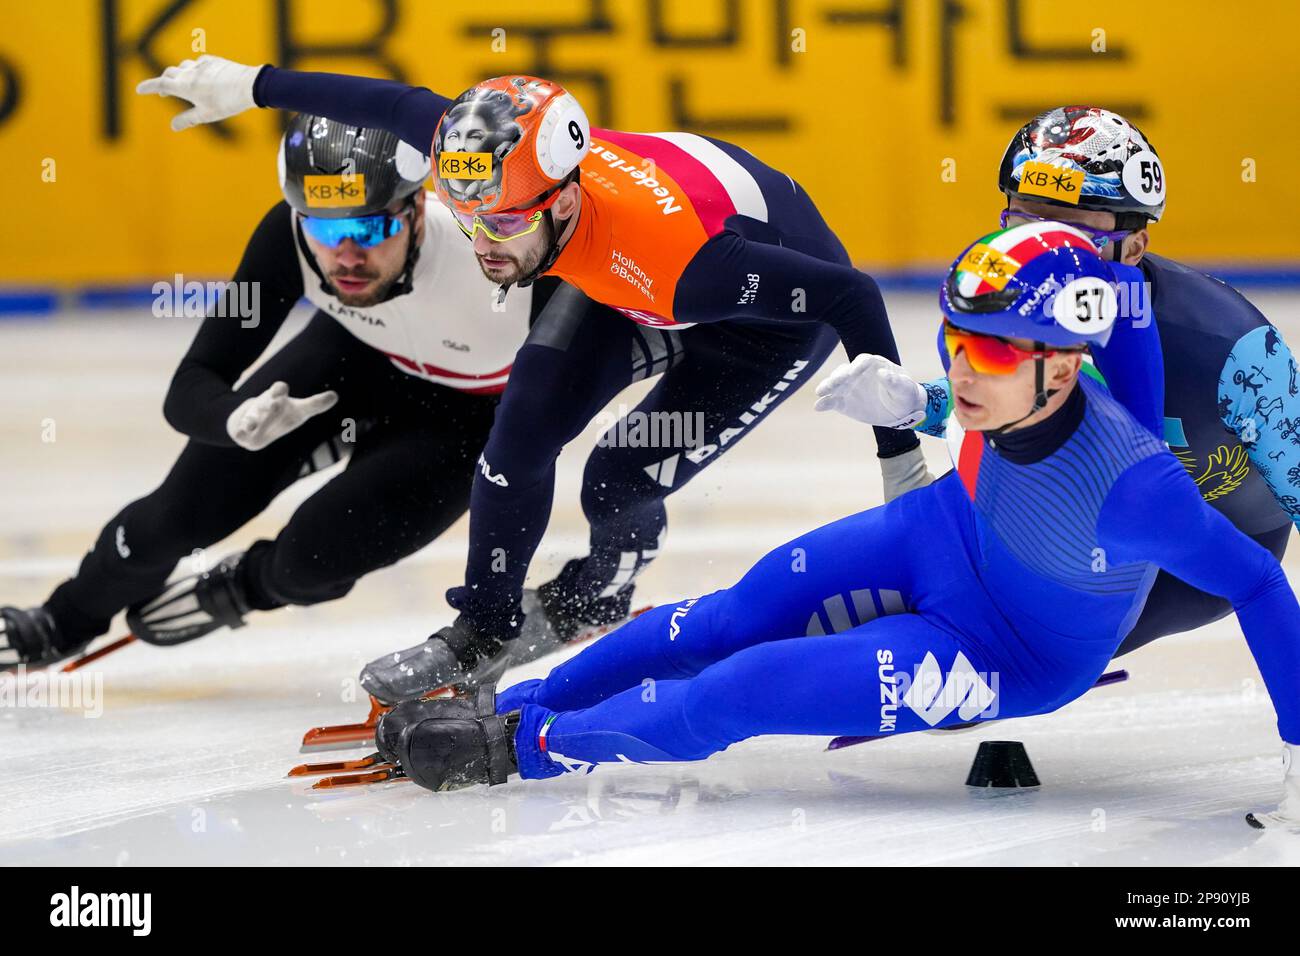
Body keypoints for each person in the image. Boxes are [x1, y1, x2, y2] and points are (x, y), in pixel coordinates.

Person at [370, 221, 1300, 832]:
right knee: (728, 616)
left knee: (742, 688)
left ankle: (516, 748)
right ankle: (512, 704)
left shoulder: (1137, 491)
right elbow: (1093, 297)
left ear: (1062, 368)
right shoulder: (1028, 368)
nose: (962, 368)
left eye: (985, 351)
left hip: (1007, 651)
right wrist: (929, 399)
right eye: (952, 336)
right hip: (944, 530)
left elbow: (1259, 580)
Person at [135, 56, 931, 704]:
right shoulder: (485, 157)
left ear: (566, 195)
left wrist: (900, 450)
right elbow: (395, 102)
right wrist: (248, 85)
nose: (483, 245)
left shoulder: (678, 265)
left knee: (618, 477)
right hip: (614, 275)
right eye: (467, 216)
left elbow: (849, 292)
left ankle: (602, 588)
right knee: (519, 431)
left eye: (505, 224)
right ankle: (483, 629)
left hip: (754, 319)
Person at [0, 113, 545, 670]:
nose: (348, 257)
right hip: (345, 365)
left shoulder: (500, 257)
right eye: (326, 231)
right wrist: (235, 418)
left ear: (417, 210)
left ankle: (246, 585)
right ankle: (59, 621)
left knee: (306, 563)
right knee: (166, 523)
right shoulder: (286, 238)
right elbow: (194, 381)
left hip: (461, 417)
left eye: (371, 230)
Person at [880, 106, 1297, 655]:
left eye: (1073, 234)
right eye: (1026, 226)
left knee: (989, 647)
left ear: (1135, 246)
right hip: (1077, 518)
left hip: (1208, 554)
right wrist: (917, 403)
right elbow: (1004, 401)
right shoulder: (1015, 296)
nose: (1048, 256)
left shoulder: (1233, 349)